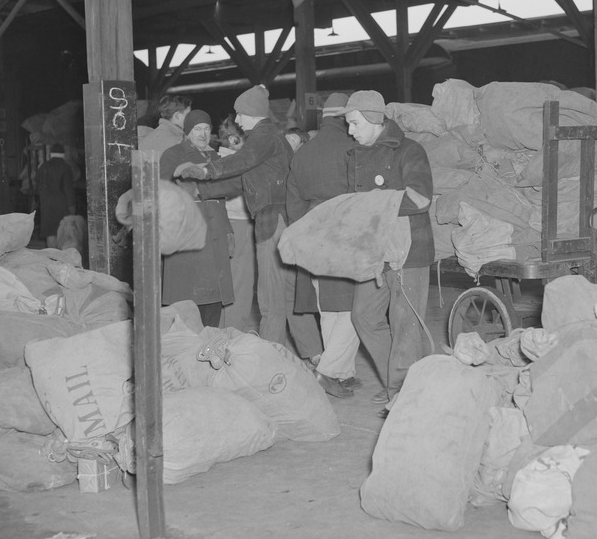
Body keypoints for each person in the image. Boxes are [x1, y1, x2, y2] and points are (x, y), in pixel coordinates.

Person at [182, 85, 323, 361]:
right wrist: (201, 191)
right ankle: (317, 356)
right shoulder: (270, 138)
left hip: (273, 222)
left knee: (269, 295)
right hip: (283, 219)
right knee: (291, 294)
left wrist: (205, 170)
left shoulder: (264, 135)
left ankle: (268, 361)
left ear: (252, 113)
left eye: (239, 113)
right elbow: (241, 180)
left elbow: (241, 161)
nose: (236, 118)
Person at [343, 90, 434, 405]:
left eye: (354, 123)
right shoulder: (357, 155)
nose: (350, 131)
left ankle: (404, 390)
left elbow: (421, 198)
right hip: (375, 251)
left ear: (373, 119)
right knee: (363, 315)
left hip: (409, 251)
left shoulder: (409, 151)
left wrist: (373, 204)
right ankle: (402, 378)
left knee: (405, 322)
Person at [286, 93, 362, 399]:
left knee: (329, 309)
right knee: (352, 309)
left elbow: (293, 203)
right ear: (346, 118)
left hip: (314, 236)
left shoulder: (303, 153)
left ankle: (343, 373)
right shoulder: (355, 149)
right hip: (347, 235)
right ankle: (329, 373)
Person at [158, 109, 234, 328]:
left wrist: (228, 230)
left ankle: (209, 347)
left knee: (214, 299)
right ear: (187, 132)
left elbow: (222, 200)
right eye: (197, 129)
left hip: (216, 235)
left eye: (207, 129)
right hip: (188, 240)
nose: (202, 134)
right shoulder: (172, 156)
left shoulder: (215, 157)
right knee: (188, 300)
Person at [216, 116, 257, 333]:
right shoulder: (238, 163)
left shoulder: (217, 161)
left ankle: (222, 330)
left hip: (223, 223)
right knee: (241, 281)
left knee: (227, 280)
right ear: (233, 140)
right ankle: (235, 332)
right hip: (240, 223)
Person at [36, 143, 76, 248]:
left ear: (51, 154)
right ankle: (62, 257)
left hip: (46, 205)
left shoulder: (43, 166)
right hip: (62, 205)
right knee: (63, 231)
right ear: (63, 154)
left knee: (50, 231)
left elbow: (38, 186)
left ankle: (52, 256)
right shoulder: (66, 168)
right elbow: (68, 189)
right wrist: (72, 206)